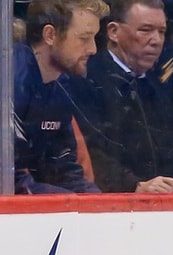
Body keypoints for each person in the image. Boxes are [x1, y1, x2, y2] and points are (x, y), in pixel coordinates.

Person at [67, 0, 173, 192]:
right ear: (113, 32)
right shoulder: (85, 79)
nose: (157, 40)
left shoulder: (156, 85)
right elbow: (89, 153)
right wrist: (135, 186)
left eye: (161, 31)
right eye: (146, 30)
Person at [14, 0, 107, 194]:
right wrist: (71, 201)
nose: (93, 49)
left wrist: (100, 205)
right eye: (84, 38)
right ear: (50, 35)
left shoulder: (61, 85)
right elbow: (9, 181)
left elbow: (63, 170)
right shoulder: (10, 81)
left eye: (94, 38)